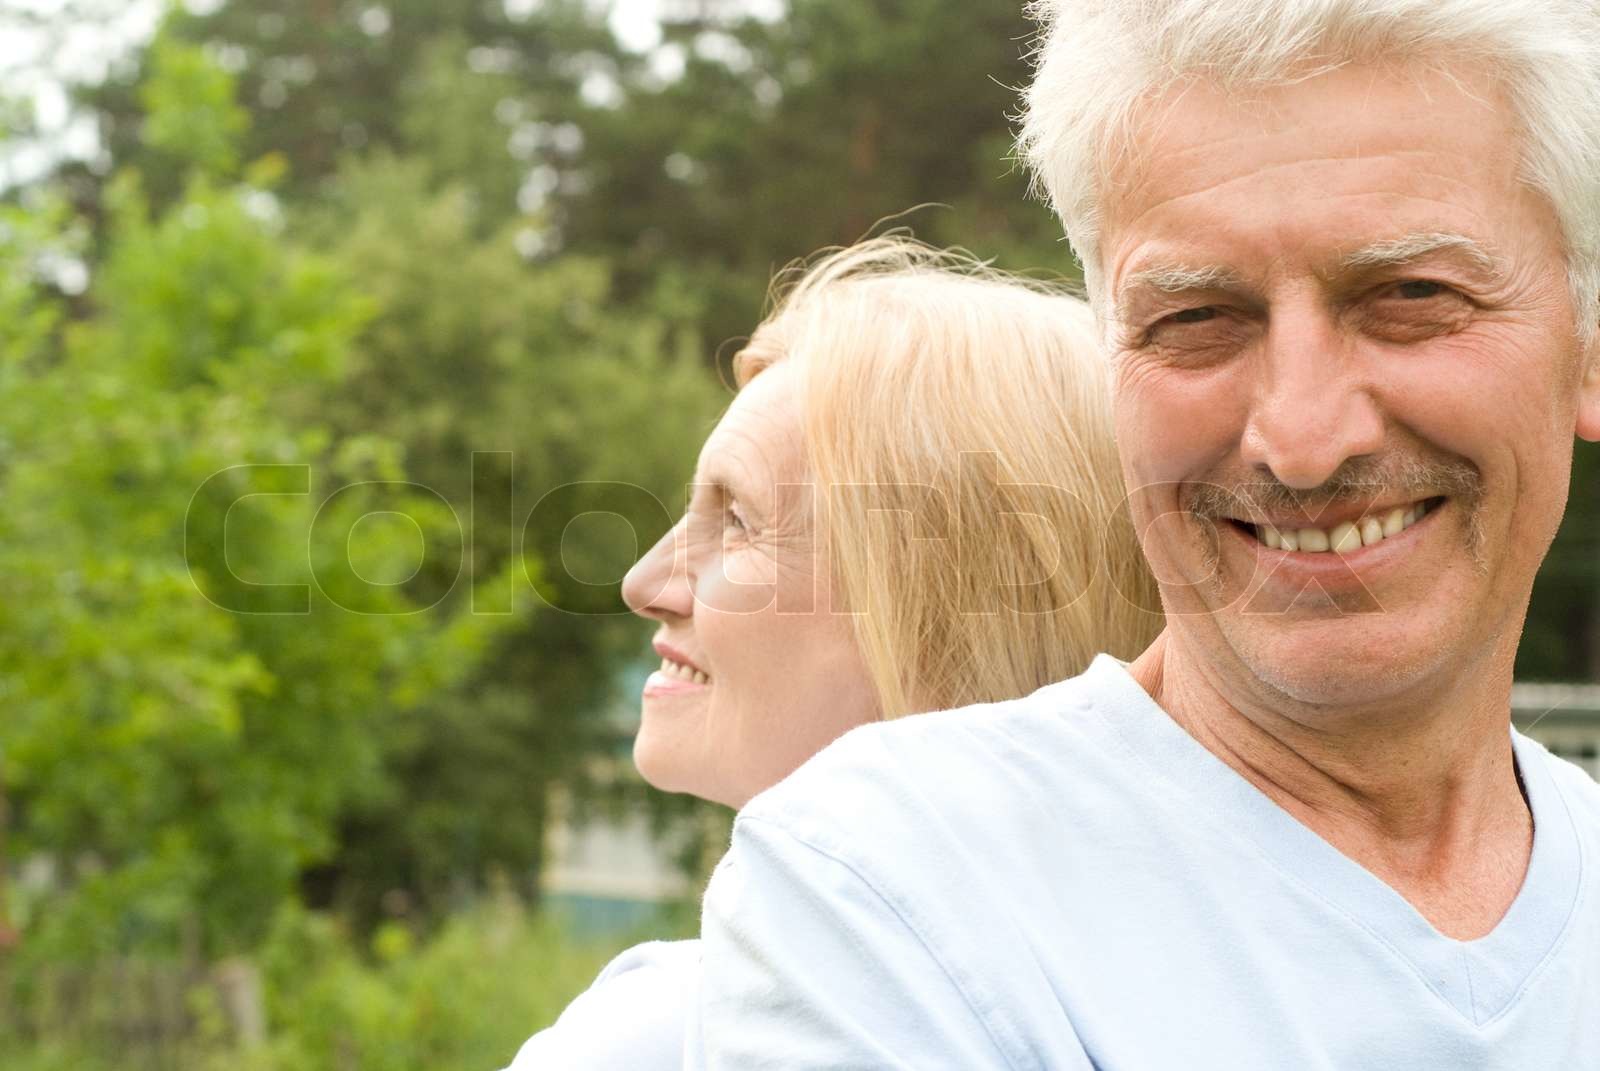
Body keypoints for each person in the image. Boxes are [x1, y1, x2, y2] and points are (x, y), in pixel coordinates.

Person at [686, 3, 1600, 1068]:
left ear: (1584, 349)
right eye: (1196, 320)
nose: (1299, 442)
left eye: (1408, 295)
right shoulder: (889, 891)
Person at [500, 237, 1160, 1070]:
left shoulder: (679, 1037)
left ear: (942, 621)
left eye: (736, 518)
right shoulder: (1230, 1005)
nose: (644, 581)